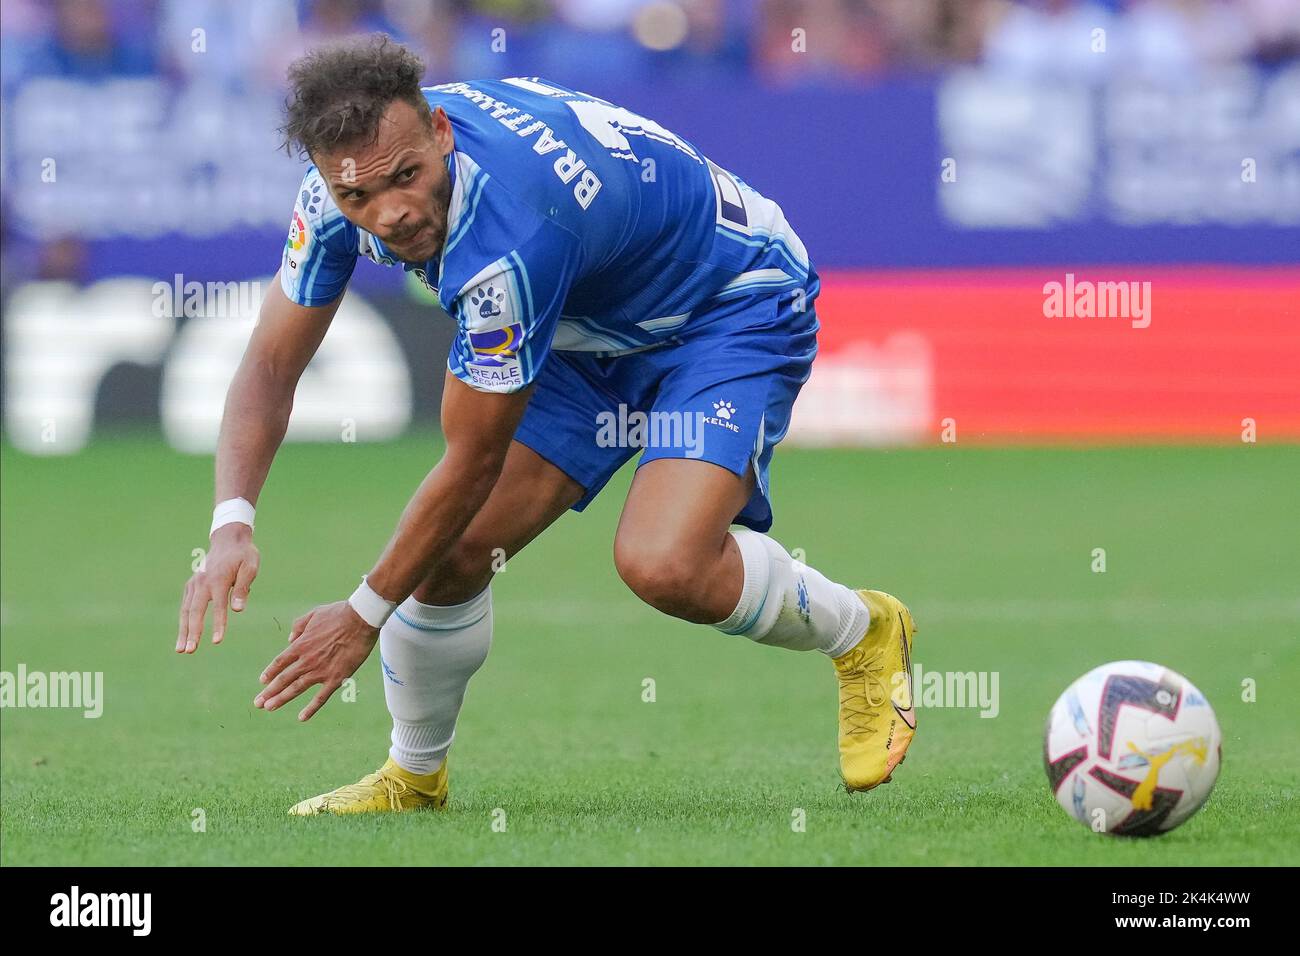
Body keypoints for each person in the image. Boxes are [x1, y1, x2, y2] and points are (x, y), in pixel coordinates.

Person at [174, 35, 916, 814]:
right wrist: (232, 521)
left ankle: (861, 631)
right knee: (447, 558)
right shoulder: (340, 189)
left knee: (663, 564)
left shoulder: (511, 237)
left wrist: (362, 616)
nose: (388, 213)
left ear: (441, 134)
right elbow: (267, 367)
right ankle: (413, 779)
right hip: (584, 318)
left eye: (407, 178)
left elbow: (472, 462)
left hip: (723, 302)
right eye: (358, 196)